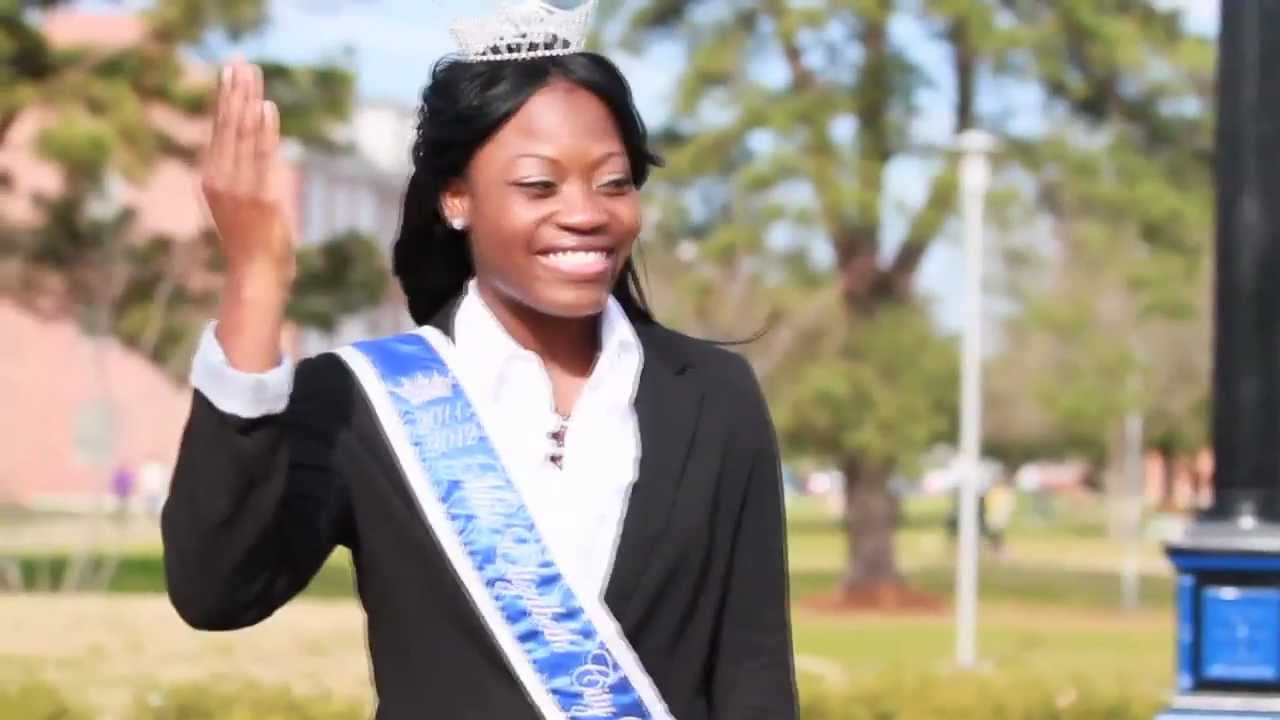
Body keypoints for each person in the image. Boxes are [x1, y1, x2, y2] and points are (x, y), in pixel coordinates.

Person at [160, 4, 798, 719]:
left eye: (614, 182)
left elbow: (755, 670)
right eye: (539, 185)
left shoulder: (712, 395)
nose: (586, 212)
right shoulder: (365, 399)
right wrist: (256, 276)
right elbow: (216, 591)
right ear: (456, 197)